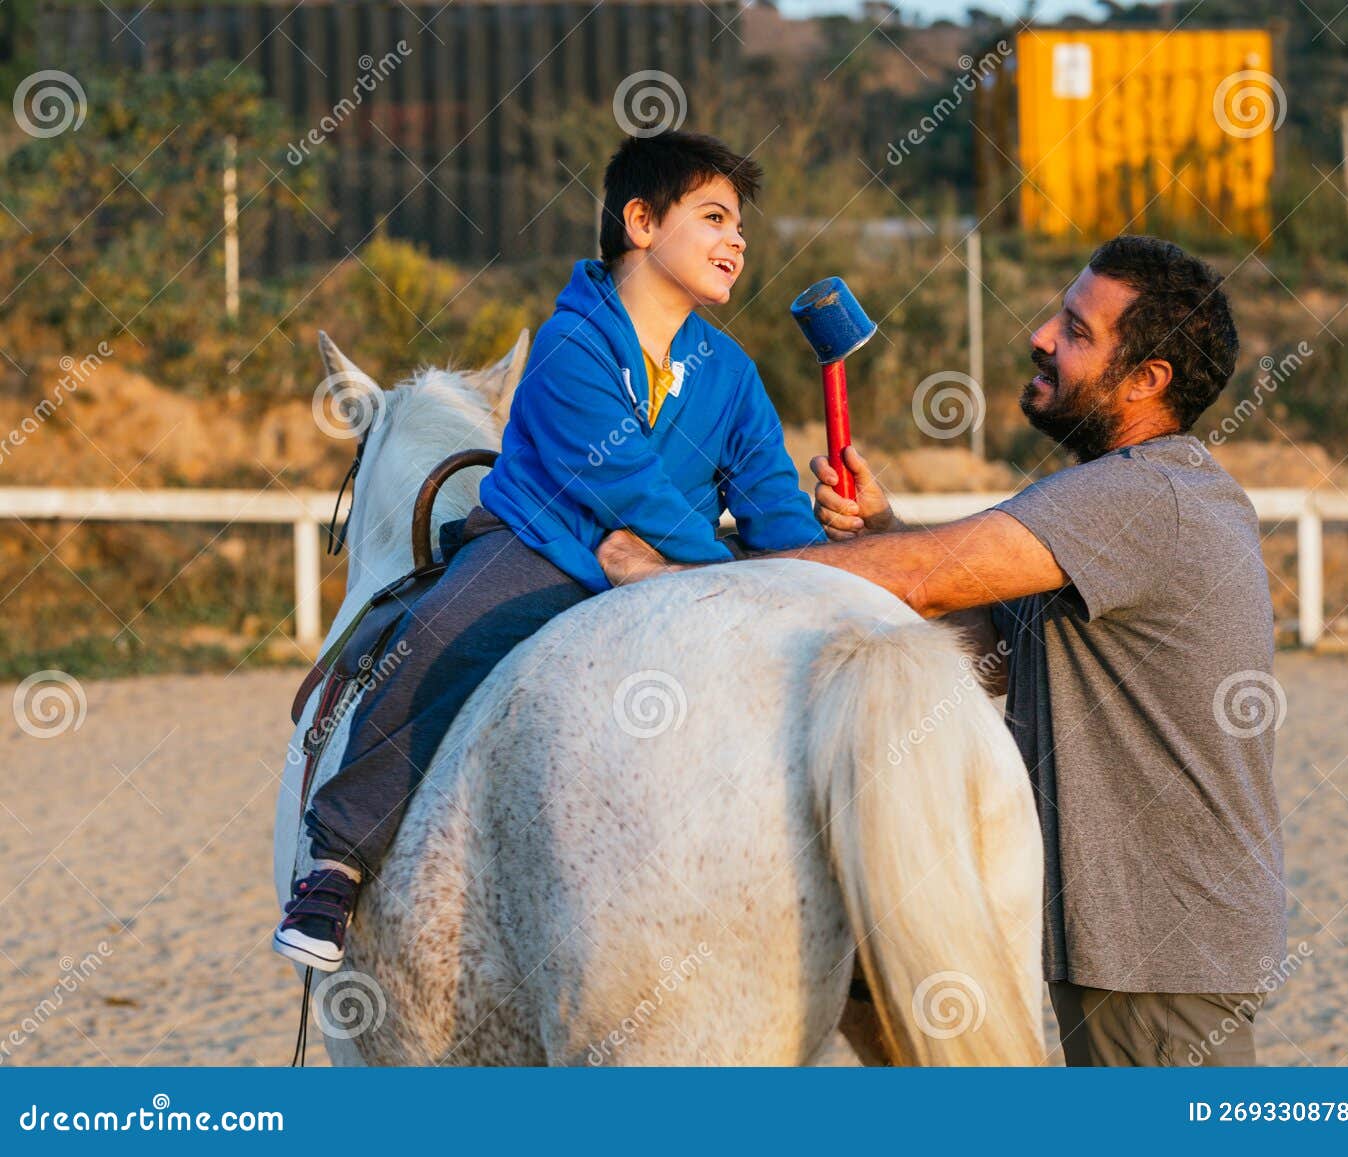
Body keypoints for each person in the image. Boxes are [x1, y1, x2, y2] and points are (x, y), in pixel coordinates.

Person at [599, 234, 1287, 1066]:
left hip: (1160, 952)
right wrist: (883, 539)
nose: (1040, 334)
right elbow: (975, 642)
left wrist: (679, 575)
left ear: (1147, 381)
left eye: (1076, 329)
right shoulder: (1116, 500)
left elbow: (926, 581)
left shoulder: (1147, 496)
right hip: (1128, 942)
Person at [274, 130, 825, 972]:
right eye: (715, 217)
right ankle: (335, 863)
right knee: (435, 639)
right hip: (541, 550)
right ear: (641, 221)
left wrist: (819, 570)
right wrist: (722, 580)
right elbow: (632, 495)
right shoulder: (570, 345)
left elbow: (774, 510)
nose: (738, 240)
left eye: (741, 226)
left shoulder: (734, 374)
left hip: (680, 571)